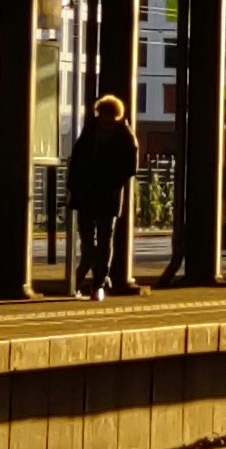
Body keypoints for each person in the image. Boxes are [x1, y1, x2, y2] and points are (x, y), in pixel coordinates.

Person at [68, 92, 142, 297]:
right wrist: (74, 186)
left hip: (107, 194)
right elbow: (77, 158)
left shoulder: (123, 134)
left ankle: (97, 280)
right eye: (102, 114)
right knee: (90, 239)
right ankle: (93, 277)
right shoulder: (92, 130)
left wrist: (111, 181)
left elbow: (130, 167)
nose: (105, 119)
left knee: (103, 238)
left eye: (108, 115)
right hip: (89, 193)